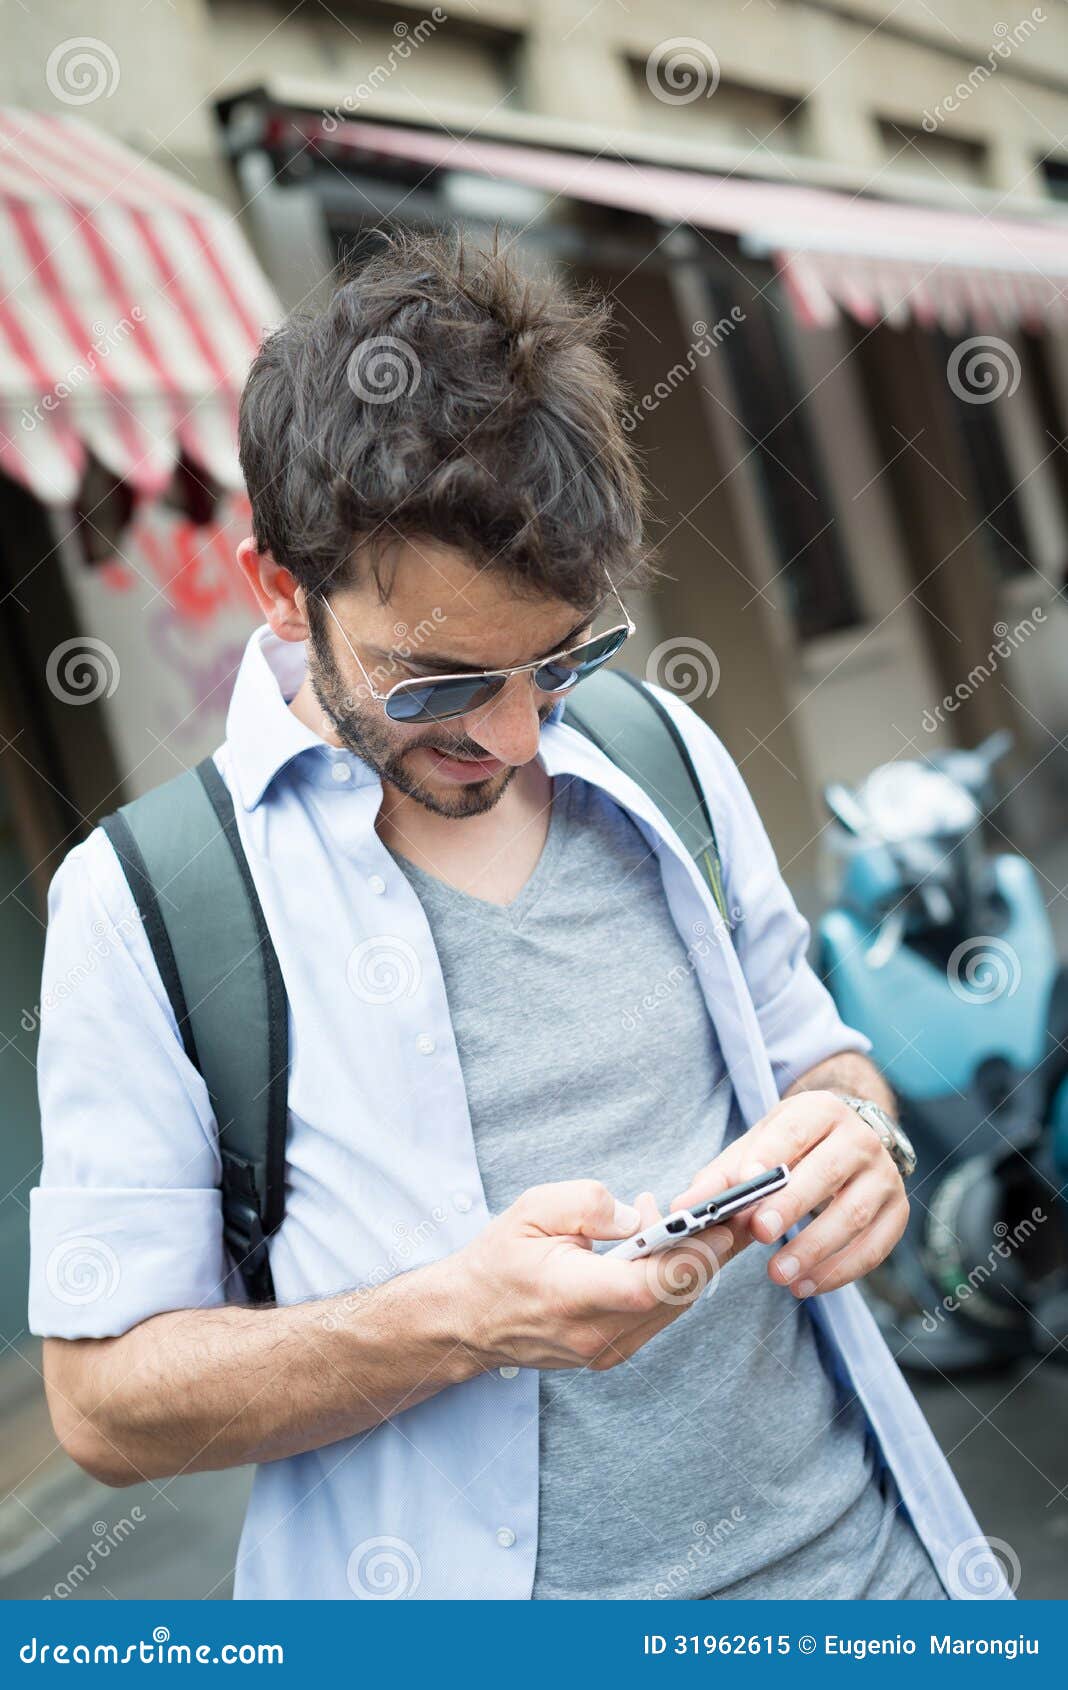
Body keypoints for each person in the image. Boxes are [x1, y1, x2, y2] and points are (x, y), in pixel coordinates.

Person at [31, 232, 999, 1602]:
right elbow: (101, 1402)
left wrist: (863, 1133)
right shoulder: (145, 901)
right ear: (277, 590)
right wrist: (459, 1320)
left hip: (875, 1584)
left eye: (557, 661)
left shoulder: (658, 745)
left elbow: (816, 1054)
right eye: (434, 683)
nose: (510, 733)